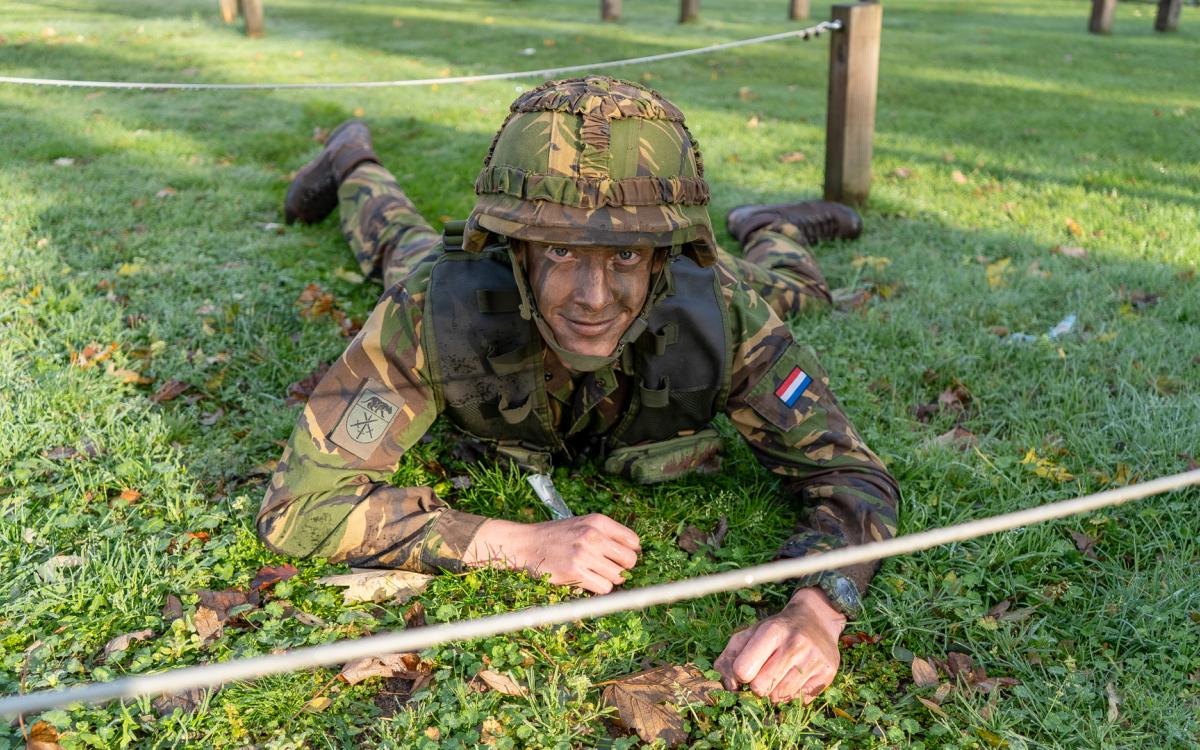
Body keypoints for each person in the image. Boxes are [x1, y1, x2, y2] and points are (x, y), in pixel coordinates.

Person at [258, 76, 898, 706]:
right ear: (515, 249)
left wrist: (817, 609)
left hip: (733, 279)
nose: (593, 299)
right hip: (456, 289)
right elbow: (300, 508)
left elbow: (848, 470)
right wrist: (519, 545)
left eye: (624, 257)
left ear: (663, 255)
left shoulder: (723, 309)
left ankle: (770, 224)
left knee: (798, 289)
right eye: (562, 251)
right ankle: (354, 160)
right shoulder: (435, 308)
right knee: (407, 246)